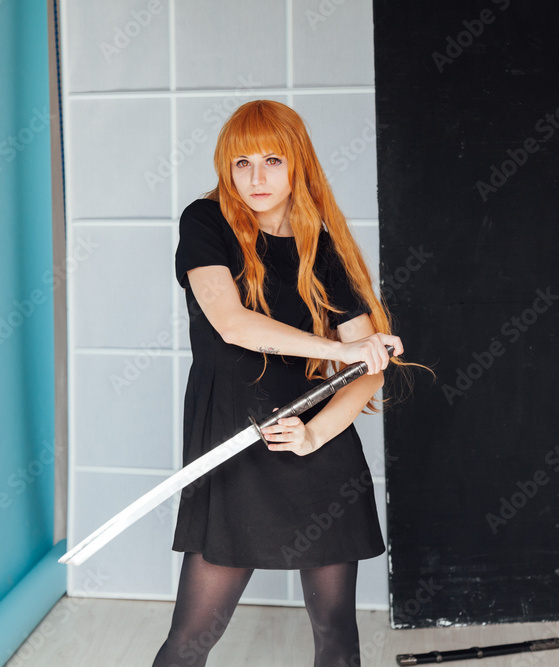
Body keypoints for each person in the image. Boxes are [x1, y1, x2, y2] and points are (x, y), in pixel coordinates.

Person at [152, 100, 425, 667]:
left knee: (336, 634)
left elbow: (367, 370)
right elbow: (231, 323)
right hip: (234, 438)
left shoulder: (323, 247)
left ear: (298, 163)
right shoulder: (205, 223)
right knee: (190, 640)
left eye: (272, 160)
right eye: (242, 162)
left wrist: (316, 433)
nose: (256, 178)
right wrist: (339, 349)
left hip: (312, 446)